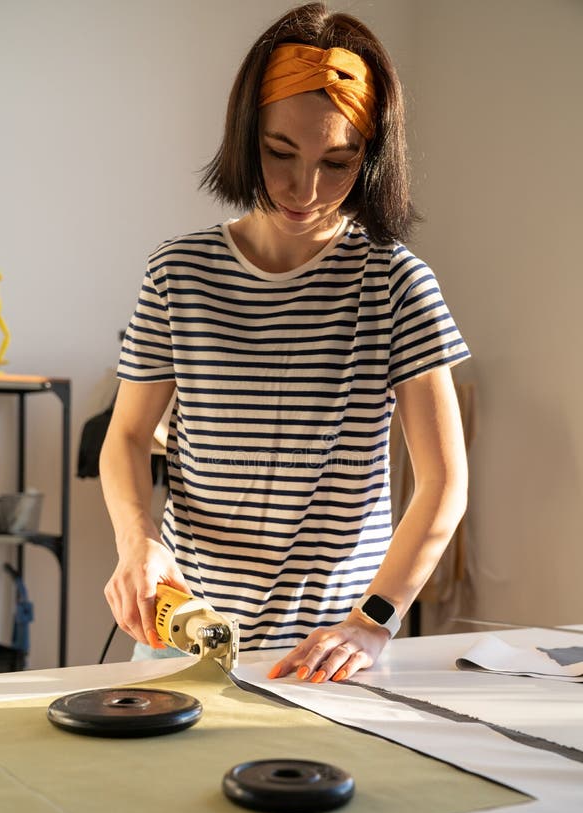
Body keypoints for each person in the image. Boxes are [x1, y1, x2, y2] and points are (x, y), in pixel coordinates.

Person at [100, 2, 469, 684]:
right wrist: (138, 542)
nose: (307, 190)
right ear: (246, 136)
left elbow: (444, 483)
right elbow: (126, 437)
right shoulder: (178, 273)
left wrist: (373, 620)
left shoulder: (395, 283)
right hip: (182, 635)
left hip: (327, 653)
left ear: (371, 155)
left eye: (339, 161)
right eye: (280, 155)